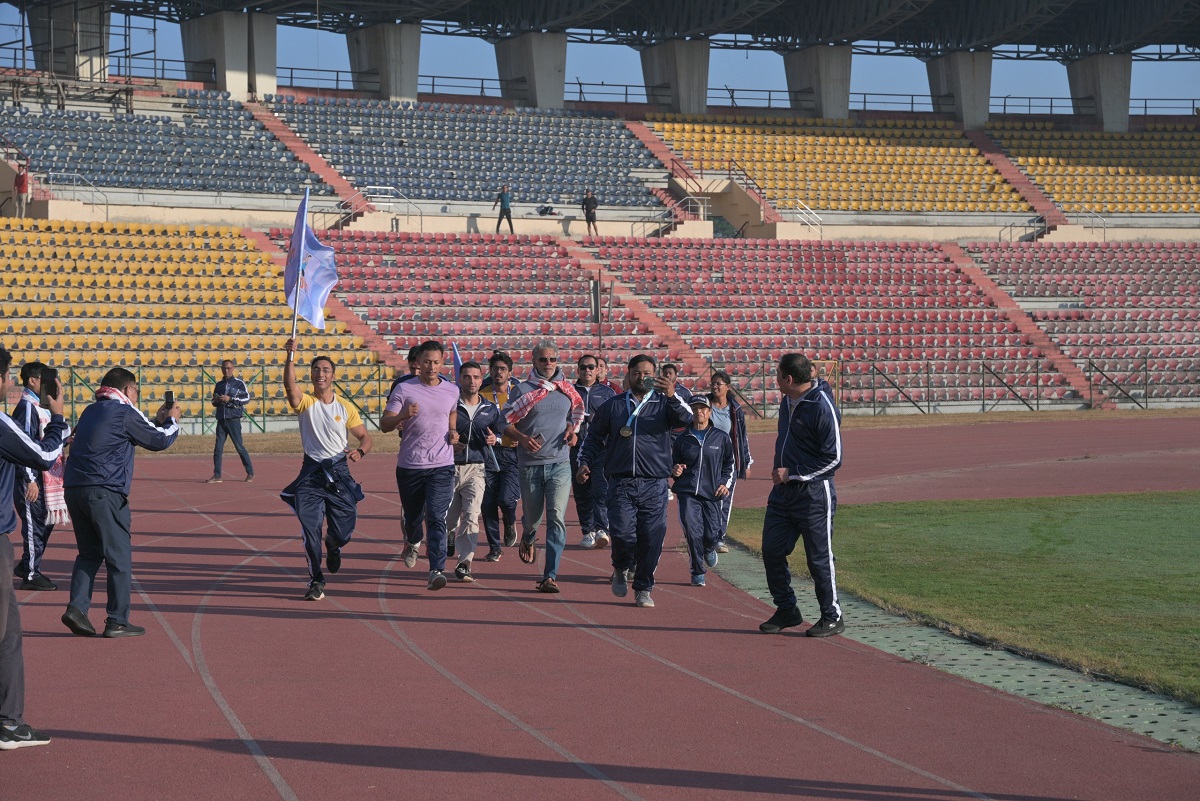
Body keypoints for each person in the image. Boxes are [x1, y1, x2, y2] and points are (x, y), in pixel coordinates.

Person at [62, 367, 181, 638]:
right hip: (105, 492)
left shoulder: (90, 411)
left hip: (75, 489)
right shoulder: (125, 411)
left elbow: (121, 436)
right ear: (127, 389)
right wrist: (172, 421)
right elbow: (159, 440)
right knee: (119, 558)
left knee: (89, 554)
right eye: (136, 390)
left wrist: (156, 420)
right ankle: (117, 619)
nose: (137, 395)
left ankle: (77, 609)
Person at [578, 354, 692, 608]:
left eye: (648, 373)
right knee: (622, 533)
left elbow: (687, 418)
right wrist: (584, 463)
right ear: (629, 374)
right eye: (637, 373)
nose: (642, 377)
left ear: (655, 375)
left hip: (654, 483)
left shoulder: (665, 404)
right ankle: (620, 567)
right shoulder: (613, 405)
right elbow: (594, 438)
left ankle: (643, 588)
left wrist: (672, 395)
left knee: (652, 537)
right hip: (620, 482)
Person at [0, 346, 69, 749]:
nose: (7, 383)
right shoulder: (17, 414)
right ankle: (8, 723)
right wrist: (58, 419)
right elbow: (41, 452)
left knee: (8, 634)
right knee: (6, 634)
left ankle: (9, 719)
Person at [759, 353, 845, 637]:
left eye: (778, 375)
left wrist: (792, 473)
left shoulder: (821, 407)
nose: (775, 380)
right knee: (772, 550)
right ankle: (787, 609)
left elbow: (833, 459)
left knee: (818, 557)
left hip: (813, 495)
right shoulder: (787, 401)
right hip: (782, 494)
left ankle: (832, 616)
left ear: (789, 379)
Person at [280, 340, 372, 601]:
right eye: (316, 370)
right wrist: (290, 356)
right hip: (311, 474)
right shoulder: (305, 403)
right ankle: (315, 580)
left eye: (326, 370)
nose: (321, 374)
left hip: (340, 472)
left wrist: (360, 450)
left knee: (344, 529)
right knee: (310, 529)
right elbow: (290, 386)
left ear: (333, 375)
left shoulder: (345, 407)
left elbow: (366, 437)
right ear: (311, 375)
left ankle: (333, 544)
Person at [501, 340, 585, 594]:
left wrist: (573, 432)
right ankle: (528, 535)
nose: (548, 364)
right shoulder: (522, 389)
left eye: (552, 359)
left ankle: (549, 575)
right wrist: (522, 439)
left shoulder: (567, 389)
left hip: (560, 463)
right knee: (533, 519)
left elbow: (575, 417)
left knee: (557, 517)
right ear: (534, 361)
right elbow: (504, 422)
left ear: (558, 361)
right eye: (542, 360)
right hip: (530, 466)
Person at [381, 340, 460, 591]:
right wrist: (403, 415)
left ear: (442, 362)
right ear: (418, 363)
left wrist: (453, 431)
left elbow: (452, 412)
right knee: (414, 519)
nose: (431, 366)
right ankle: (413, 537)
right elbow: (385, 424)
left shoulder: (451, 390)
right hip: (411, 466)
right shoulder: (404, 390)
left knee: (437, 517)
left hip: (442, 465)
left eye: (436, 362)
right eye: (427, 361)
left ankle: (436, 569)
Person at [12, 363, 69, 591]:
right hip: (33, 479)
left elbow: (48, 439)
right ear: (32, 381)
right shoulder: (27, 407)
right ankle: (31, 574)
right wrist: (30, 479)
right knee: (35, 525)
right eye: (42, 379)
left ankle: (27, 565)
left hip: (47, 477)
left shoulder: (42, 407)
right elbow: (24, 445)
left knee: (44, 523)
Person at [447, 361, 504, 582]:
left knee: (471, 515)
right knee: (449, 520)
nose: (472, 381)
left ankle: (464, 562)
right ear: (460, 379)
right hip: (450, 467)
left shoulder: (490, 408)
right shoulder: (451, 405)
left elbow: (499, 432)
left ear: (482, 380)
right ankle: (450, 535)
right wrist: (449, 440)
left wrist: (495, 439)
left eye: (476, 377)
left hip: (477, 468)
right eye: (467, 377)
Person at [670, 395, 734, 587]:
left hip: (712, 494)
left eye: (702, 408)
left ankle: (709, 548)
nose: (699, 412)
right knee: (692, 530)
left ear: (709, 412)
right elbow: (673, 465)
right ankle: (697, 571)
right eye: (695, 409)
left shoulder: (721, 437)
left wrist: (725, 484)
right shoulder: (682, 439)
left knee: (711, 534)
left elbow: (729, 464)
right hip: (687, 492)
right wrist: (675, 470)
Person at [570, 354, 616, 549]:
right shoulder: (569, 391)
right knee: (581, 491)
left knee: (600, 489)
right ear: (578, 370)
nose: (587, 370)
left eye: (591, 367)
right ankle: (587, 530)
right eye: (583, 367)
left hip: (600, 449)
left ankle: (601, 529)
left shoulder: (608, 393)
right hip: (575, 448)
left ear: (598, 370)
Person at [479, 350, 521, 561]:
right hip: (487, 454)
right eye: (495, 368)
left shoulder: (518, 393)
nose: (498, 372)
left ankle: (510, 521)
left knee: (506, 499)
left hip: (512, 455)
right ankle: (494, 548)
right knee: (487, 504)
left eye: (503, 369)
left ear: (510, 373)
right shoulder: (482, 393)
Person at [707, 370, 752, 554]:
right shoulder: (704, 404)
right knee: (705, 499)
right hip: (706, 461)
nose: (715, 386)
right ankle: (703, 535)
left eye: (719, 383)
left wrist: (746, 463)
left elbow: (742, 437)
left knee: (724, 499)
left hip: (728, 462)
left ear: (728, 387)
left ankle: (719, 538)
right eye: (713, 383)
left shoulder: (735, 409)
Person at [207, 359, 255, 484]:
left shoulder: (239, 383)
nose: (226, 370)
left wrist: (230, 399)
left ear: (233, 369)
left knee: (239, 447)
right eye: (224, 368)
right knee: (218, 448)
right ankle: (217, 475)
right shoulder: (219, 384)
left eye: (228, 368)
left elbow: (247, 398)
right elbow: (213, 402)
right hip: (221, 420)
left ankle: (250, 472)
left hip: (233, 420)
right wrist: (217, 401)